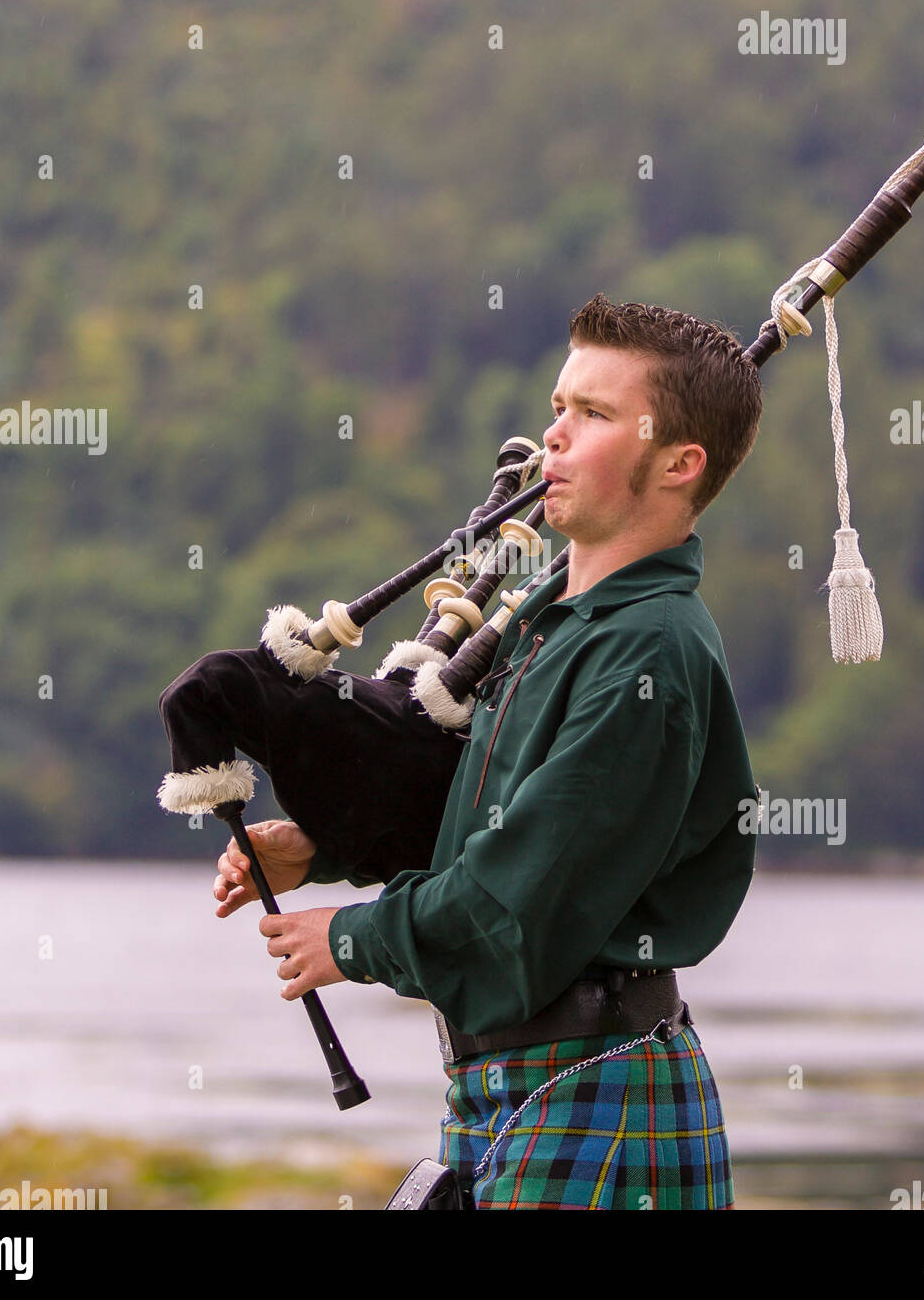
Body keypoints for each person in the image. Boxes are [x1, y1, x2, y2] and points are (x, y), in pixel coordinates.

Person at [213, 293, 762, 1209]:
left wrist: (352, 940)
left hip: (597, 1085)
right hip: (519, 1085)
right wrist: (329, 848)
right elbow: (484, 812)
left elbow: (527, 892)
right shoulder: (556, 625)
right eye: (558, 408)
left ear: (680, 464)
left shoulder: (649, 650)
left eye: (594, 414)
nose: (555, 436)